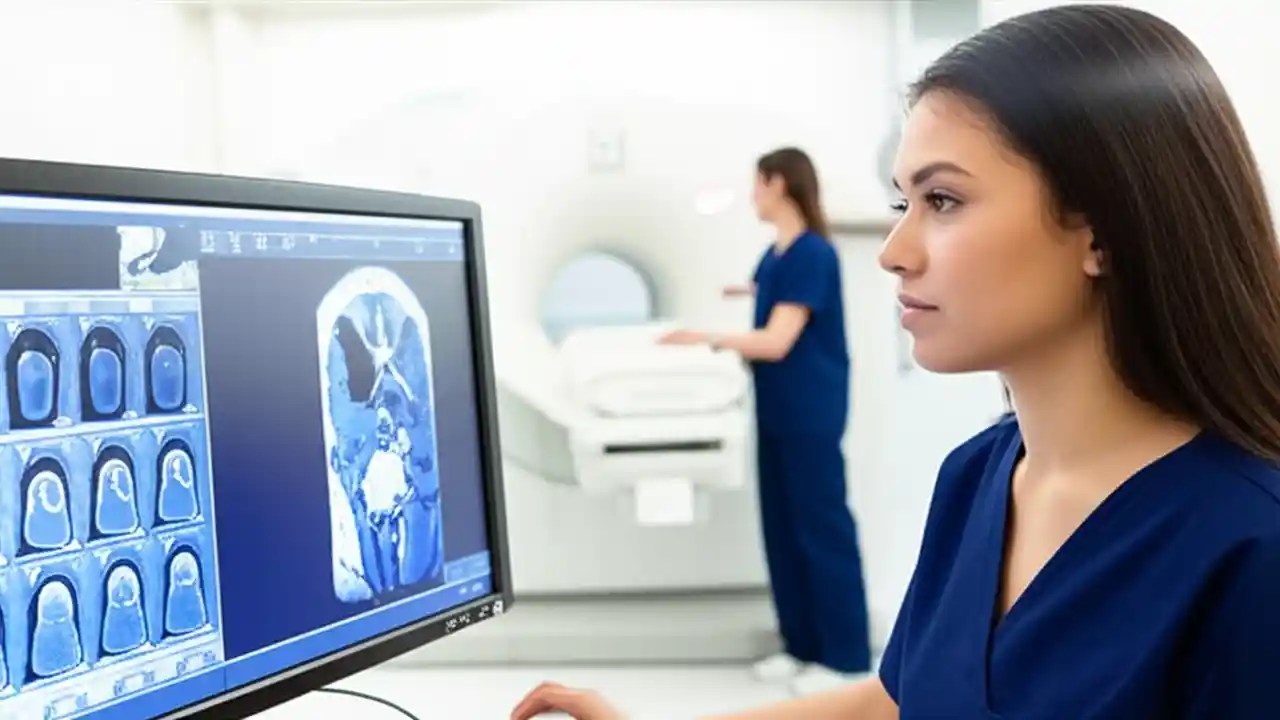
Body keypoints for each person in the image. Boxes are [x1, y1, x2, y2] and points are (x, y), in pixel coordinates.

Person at [510, 4, 1280, 719]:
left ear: (1100, 231)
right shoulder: (977, 477)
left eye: (942, 202)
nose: (893, 252)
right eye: (899, 205)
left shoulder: (1249, 546)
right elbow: (897, 701)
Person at [661, 146, 872, 695]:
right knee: (781, 529)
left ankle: (846, 657)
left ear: (778, 183)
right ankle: (800, 647)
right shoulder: (776, 256)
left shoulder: (813, 254)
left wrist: (702, 338)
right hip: (778, 410)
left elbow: (777, 341)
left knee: (820, 529)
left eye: (757, 184)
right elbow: (763, 295)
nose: (752, 195)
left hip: (810, 411)